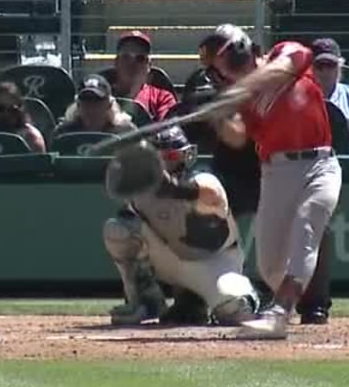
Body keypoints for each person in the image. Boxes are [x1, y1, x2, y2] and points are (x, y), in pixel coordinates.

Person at [210, 25, 341, 338]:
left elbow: (286, 66)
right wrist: (218, 114)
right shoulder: (243, 98)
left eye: (228, 63)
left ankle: (279, 312)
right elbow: (237, 137)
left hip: (320, 164)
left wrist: (238, 90)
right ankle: (289, 294)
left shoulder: (283, 53)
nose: (229, 72)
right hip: (276, 172)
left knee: (307, 227)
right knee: (269, 266)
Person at [102, 125, 260, 327]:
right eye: (159, 158)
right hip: (169, 257)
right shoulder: (140, 190)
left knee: (235, 308)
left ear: (186, 156)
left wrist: (172, 188)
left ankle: (199, 301)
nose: (165, 163)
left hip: (214, 262)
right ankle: (145, 300)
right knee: (117, 229)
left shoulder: (201, 178)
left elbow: (211, 195)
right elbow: (128, 217)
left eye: (171, 156)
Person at [109, 30, 176, 120]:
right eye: (126, 57)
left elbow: (167, 125)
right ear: (116, 62)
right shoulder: (103, 96)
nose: (132, 64)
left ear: (149, 65)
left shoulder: (162, 98)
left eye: (140, 58)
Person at [53, 74, 133, 136]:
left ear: (109, 104)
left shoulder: (125, 133)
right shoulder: (64, 133)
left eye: (97, 101)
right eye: (86, 100)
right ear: (78, 104)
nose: (91, 108)